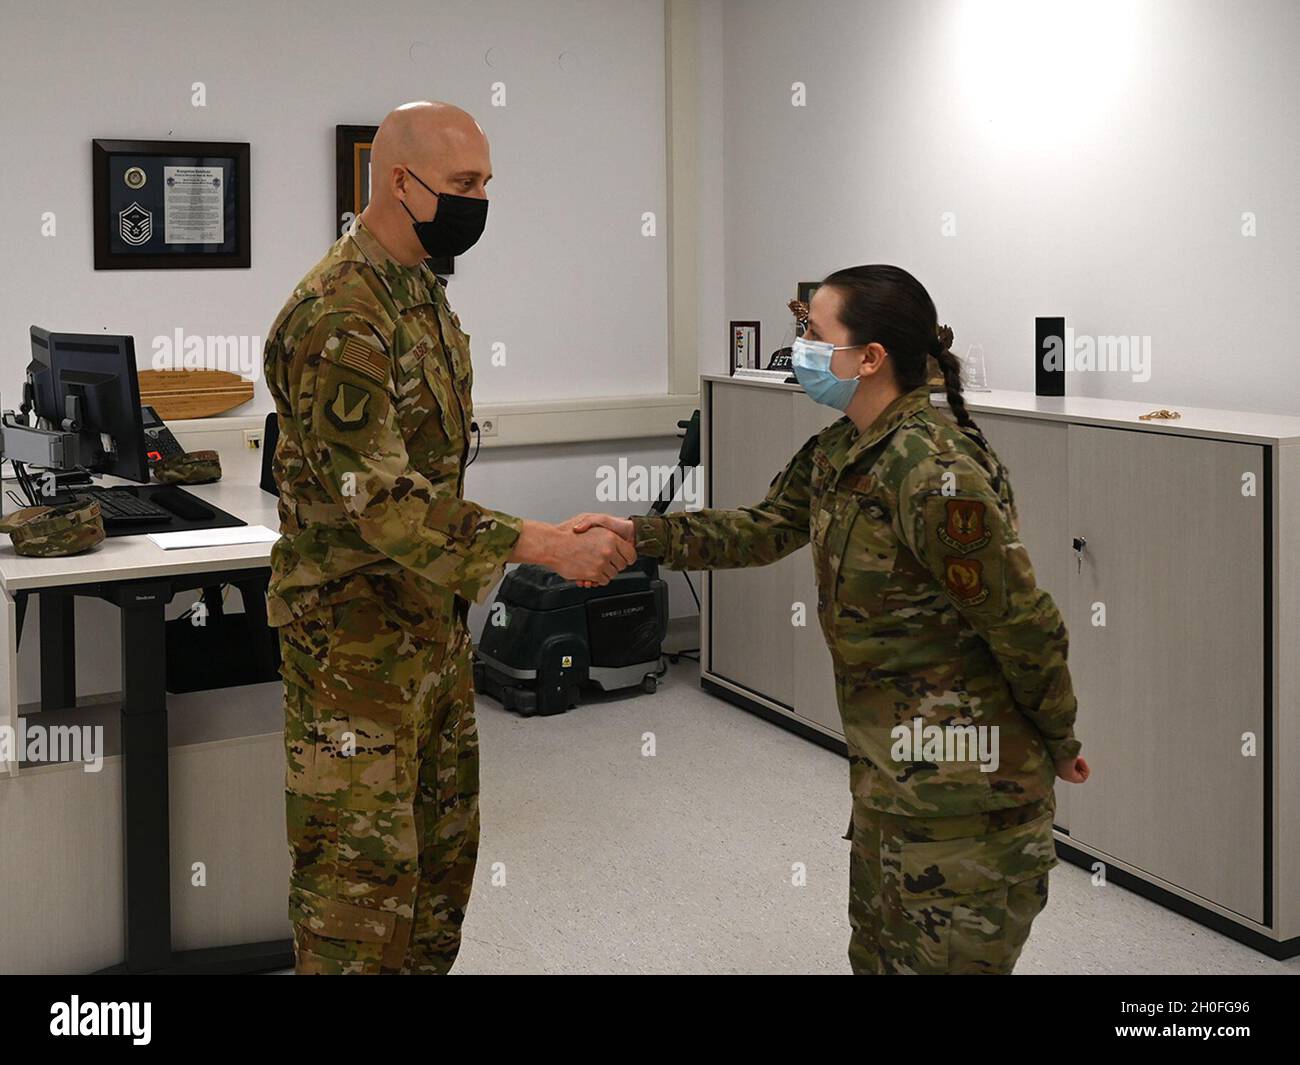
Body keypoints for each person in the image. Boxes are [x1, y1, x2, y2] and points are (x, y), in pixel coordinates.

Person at [575, 265, 1091, 974]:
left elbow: (1023, 623)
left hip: (966, 805)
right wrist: (642, 536)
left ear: (870, 357)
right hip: (890, 786)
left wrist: (1060, 738)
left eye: (815, 334)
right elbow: (761, 527)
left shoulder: (934, 469)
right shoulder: (842, 450)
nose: (802, 348)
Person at [263, 101, 635, 974]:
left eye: (485, 184)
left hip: (429, 634)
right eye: (465, 184)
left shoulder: (420, 289)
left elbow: (431, 480)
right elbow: (386, 503)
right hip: (354, 655)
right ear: (401, 180)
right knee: (359, 894)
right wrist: (545, 544)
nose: (480, 201)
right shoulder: (339, 315)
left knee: (437, 876)